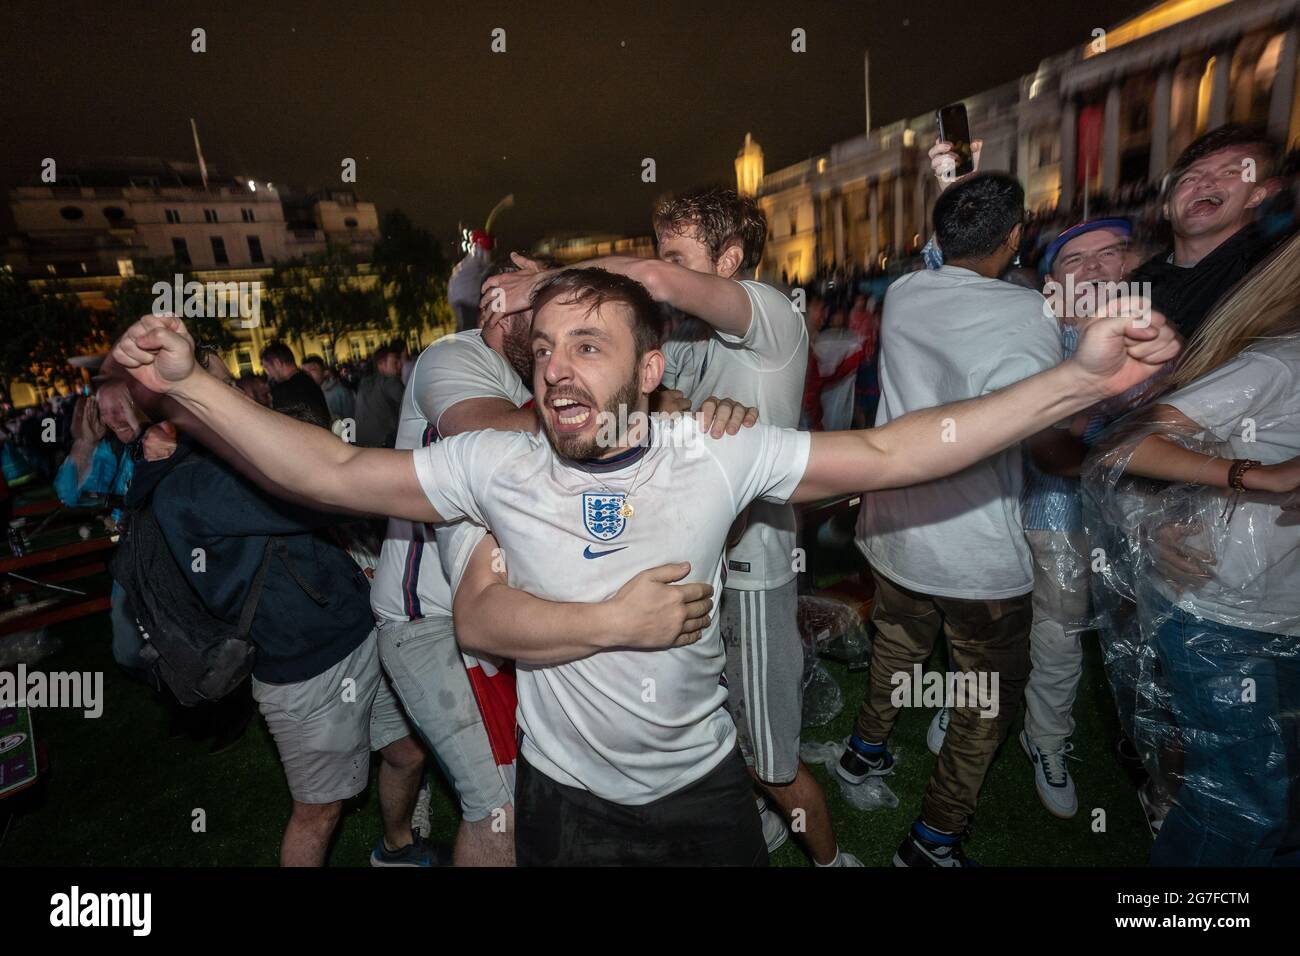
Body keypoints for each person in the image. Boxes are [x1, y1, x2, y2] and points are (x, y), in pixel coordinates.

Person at [110, 263, 1178, 866]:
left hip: (701, 787)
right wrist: (194, 383)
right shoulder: (497, 464)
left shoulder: (714, 448)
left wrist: (1076, 385)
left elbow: (902, 447)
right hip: (563, 801)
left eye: (589, 344)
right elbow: (334, 468)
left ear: (650, 367)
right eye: (545, 348)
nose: (557, 366)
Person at [494, 187, 854, 865]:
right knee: (721, 731)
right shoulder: (691, 340)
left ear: (730, 259)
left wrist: (551, 282)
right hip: (698, 576)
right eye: (659, 250)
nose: (658, 267)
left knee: (771, 762)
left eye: (676, 254)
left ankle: (832, 860)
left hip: (752, 574)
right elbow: (645, 394)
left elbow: (655, 283)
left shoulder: (771, 314)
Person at [838, 173, 1068, 866]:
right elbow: (1048, 441)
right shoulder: (1029, 317)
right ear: (1015, 237)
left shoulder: (906, 293)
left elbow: (947, 265)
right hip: (975, 557)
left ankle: (863, 753)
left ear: (937, 238)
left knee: (896, 649)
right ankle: (934, 839)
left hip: (893, 532)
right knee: (983, 703)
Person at [126, 396, 446, 868]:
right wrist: (425, 470)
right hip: (306, 673)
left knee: (407, 751)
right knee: (318, 812)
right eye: (212, 383)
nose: (231, 393)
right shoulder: (193, 484)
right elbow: (325, 494)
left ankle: (397, 847)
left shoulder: (211, 461)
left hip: (358, 635)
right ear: (170, 420)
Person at [1087, 231, 1300, 865]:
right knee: (1239, 812)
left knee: (1277, 813)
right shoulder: (1281, 362)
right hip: (1231, 618)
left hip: (1274, 617)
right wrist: (1255, 476)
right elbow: (1123, 447)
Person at [1131, 124, 1291, 338]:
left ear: (1256, 196)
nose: (1206, 183)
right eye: (1191, 178)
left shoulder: (1275, 285)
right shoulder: (1135, 285)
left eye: (1229, 172)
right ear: (1167, 209)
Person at [259, 341, 331, 425]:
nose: (269, 374)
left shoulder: (284, 392)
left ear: (277, 363)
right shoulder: (308, 380)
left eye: (267, 367)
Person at [353, 346, 405, 448]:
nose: (400, 365)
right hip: (386, 445)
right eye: (395, 362)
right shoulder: (390, 381)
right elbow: (409, 404)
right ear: (381, 364)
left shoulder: (364, 383)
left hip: (363, 445)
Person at [301, 355, 355, 424]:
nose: (308, 374)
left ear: (325, 372)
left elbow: (351, 419)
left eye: (312, 370)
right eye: (304, 371)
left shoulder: (340, 391)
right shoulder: (304, 393)